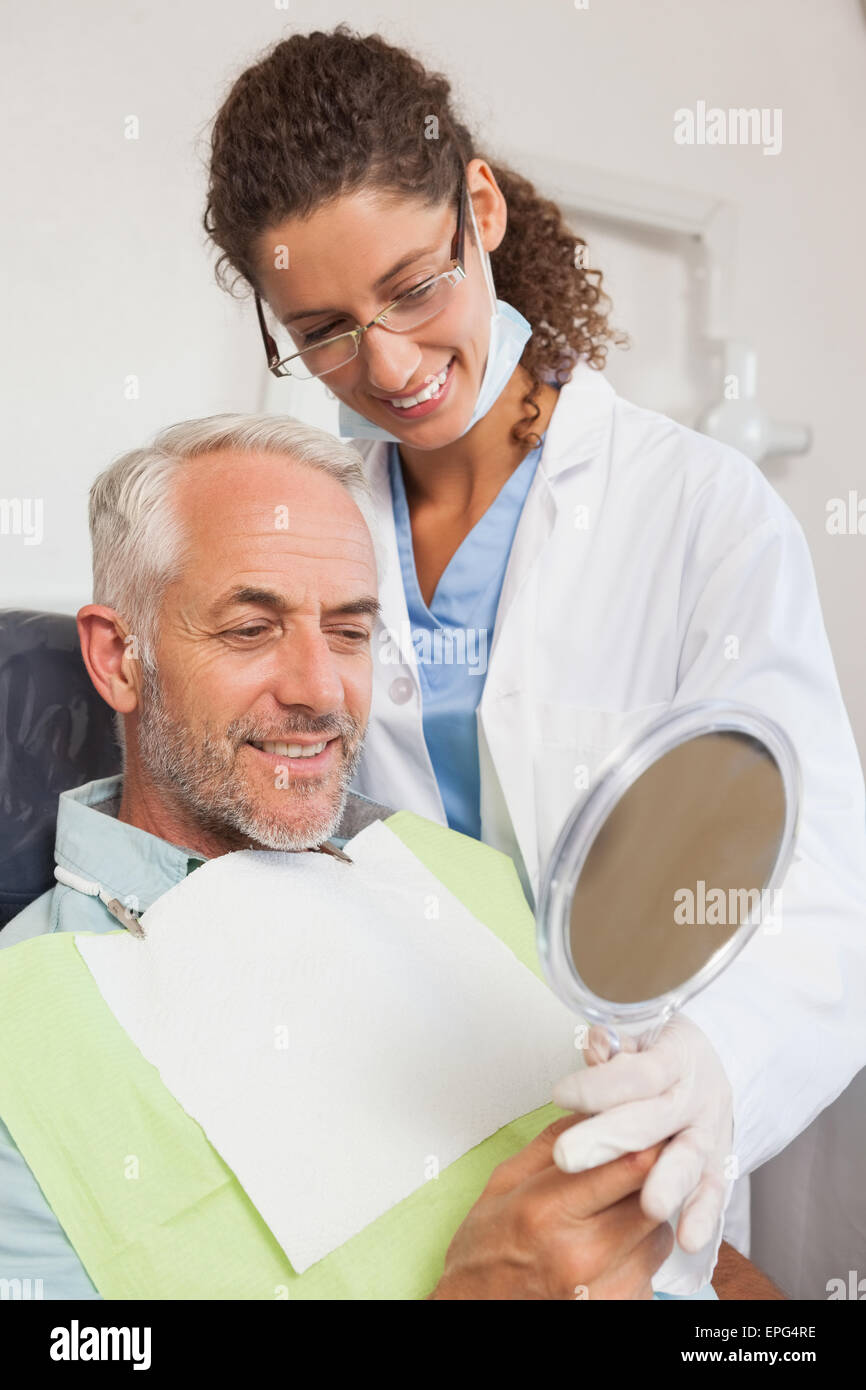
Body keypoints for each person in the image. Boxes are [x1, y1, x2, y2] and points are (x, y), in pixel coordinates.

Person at [200, 25, 866, 1292]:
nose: (387, 367)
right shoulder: (314, 532)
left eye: (413, 288)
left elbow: (824, 881)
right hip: (397, 1161)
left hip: (631, 1159)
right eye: (325, 331)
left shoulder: (699, 514)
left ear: (480, 210)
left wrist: (716, 1065)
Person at [0, 413, 695, 1301]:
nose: (322, 690)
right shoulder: (22, 1042)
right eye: (252, 629)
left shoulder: (464, 878)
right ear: (118, 658)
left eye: (350, 631)